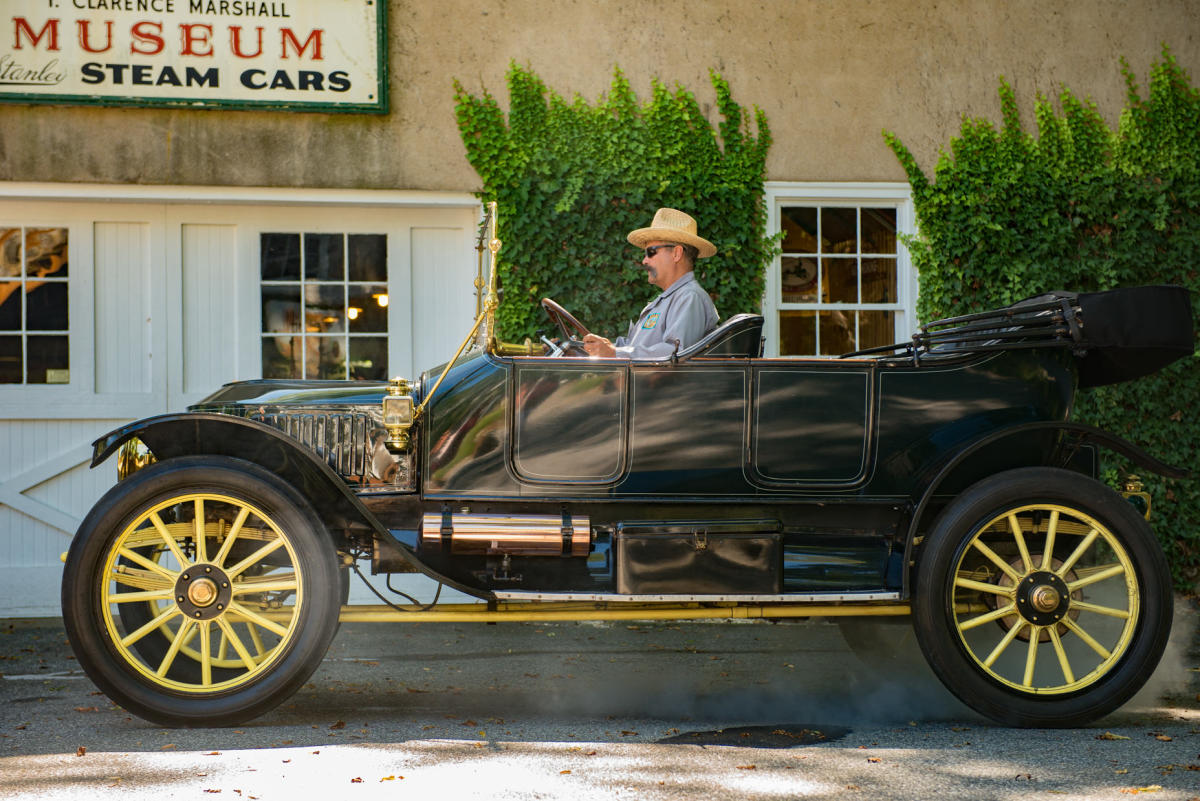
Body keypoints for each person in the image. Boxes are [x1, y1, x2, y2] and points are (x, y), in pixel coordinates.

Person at [582, 208, 719, 359]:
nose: (644, 260)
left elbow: (674, 354)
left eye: (651, 252)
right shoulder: (669, 299)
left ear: (676, 253)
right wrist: (606, 347)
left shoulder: (689, 297)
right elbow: (637, 348)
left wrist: (615, 353)